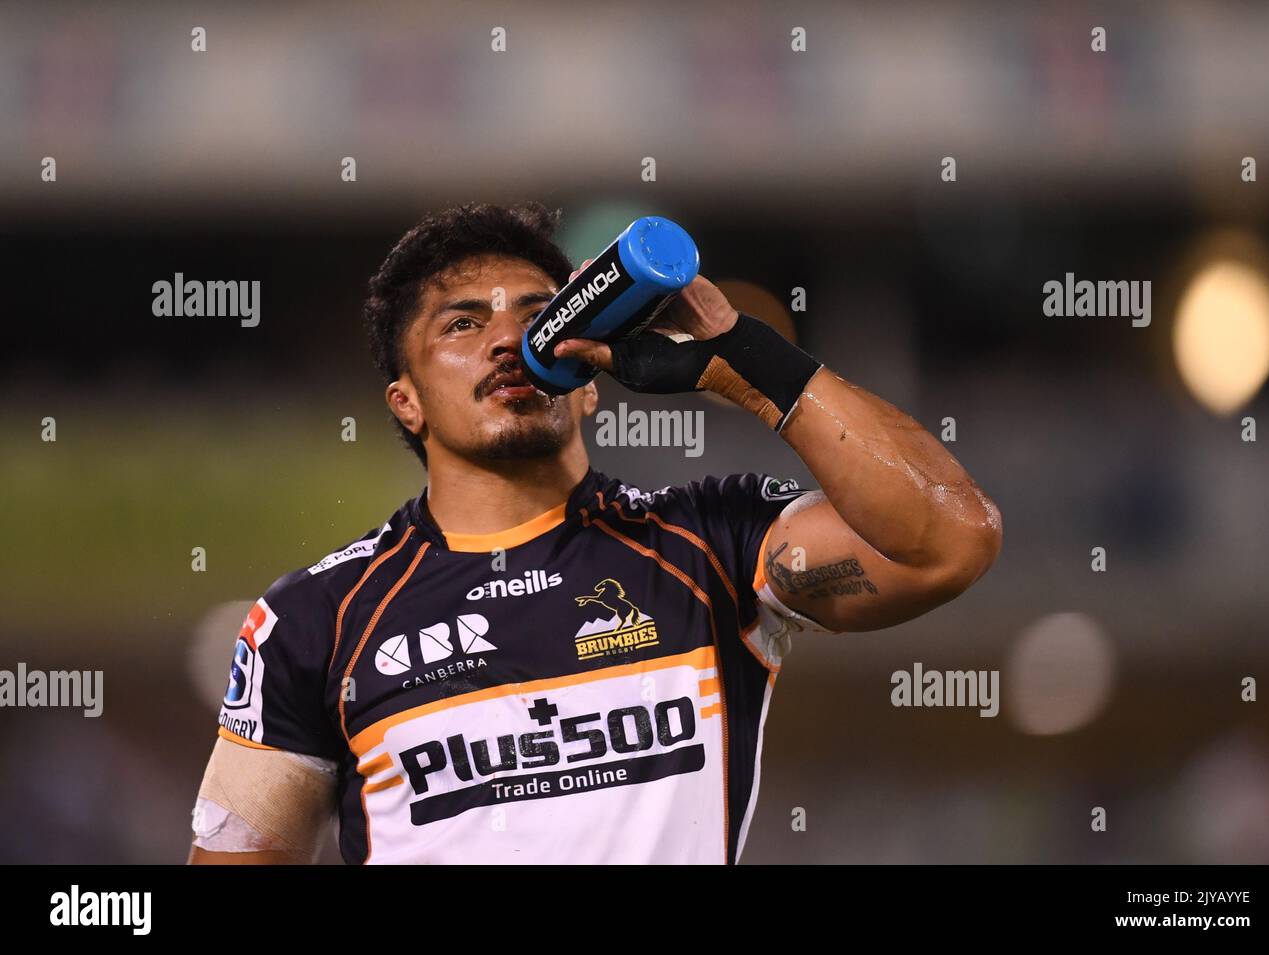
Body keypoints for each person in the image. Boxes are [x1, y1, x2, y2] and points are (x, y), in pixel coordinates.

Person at [187, 201, 1002, 864]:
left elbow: (952, 539)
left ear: (588, 385)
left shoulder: (712, 543)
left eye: (538, 316)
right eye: (462, 326)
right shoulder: (314, 619)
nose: (509, 339)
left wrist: (743, 364)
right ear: (406, 401)